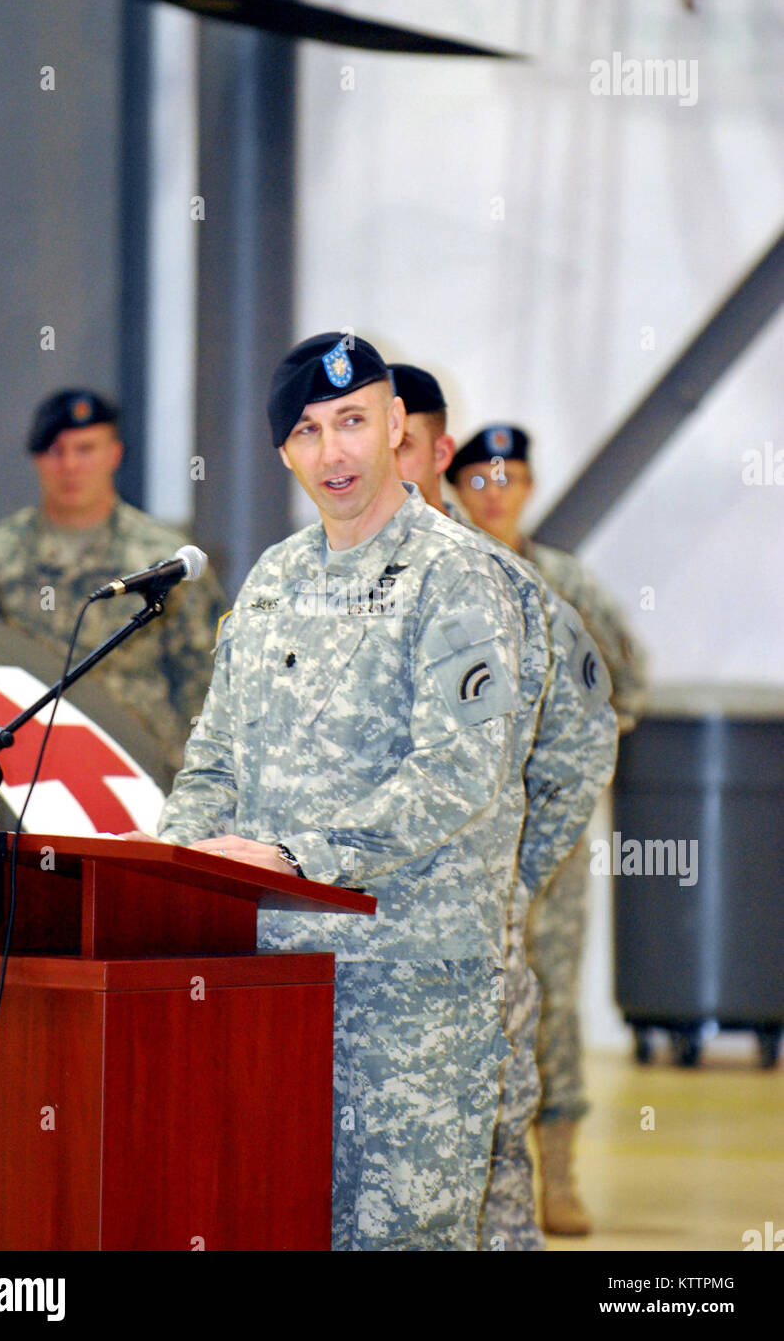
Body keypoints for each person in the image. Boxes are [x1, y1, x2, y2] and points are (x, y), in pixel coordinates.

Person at [156, 333, 550, 1251]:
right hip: (274, 985)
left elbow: (457, 773)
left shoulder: (458, 577)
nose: (332, 452)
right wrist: (175, 870)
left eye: (353, 423)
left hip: (407, 991)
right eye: (306, 432)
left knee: (402, 1240)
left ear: (395, 427)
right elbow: (215, 756)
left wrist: (297, 860)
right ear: (284, 453)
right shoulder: (272, 581)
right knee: (274, 1222)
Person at [391, 364, 617, 1249]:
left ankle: (554, 1171)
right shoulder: (330, 578)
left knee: (529, 1028)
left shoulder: (531, 582)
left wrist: (521, 859)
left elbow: (597, 711)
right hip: (400, 897)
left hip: (514, 868)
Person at [448, 424, 648, 1235]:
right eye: (482, 477)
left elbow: (622, 689)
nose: (496, 491)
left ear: (528, 486)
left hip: (548, 836)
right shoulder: (445, 574)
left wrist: (568, 774)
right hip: (460, 826)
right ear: (459, 485)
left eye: (512, 476)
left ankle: (556, 1175)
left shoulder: (564, 582)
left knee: (552, 992)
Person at [0, 390, 227, 770]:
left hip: (143, 769)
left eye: (85, 449)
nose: (69, 465)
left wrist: (197, 788)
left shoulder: (165, 560)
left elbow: (207, 685)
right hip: (30, 772)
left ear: (114, 454)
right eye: (55, 450)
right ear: (37, 460)